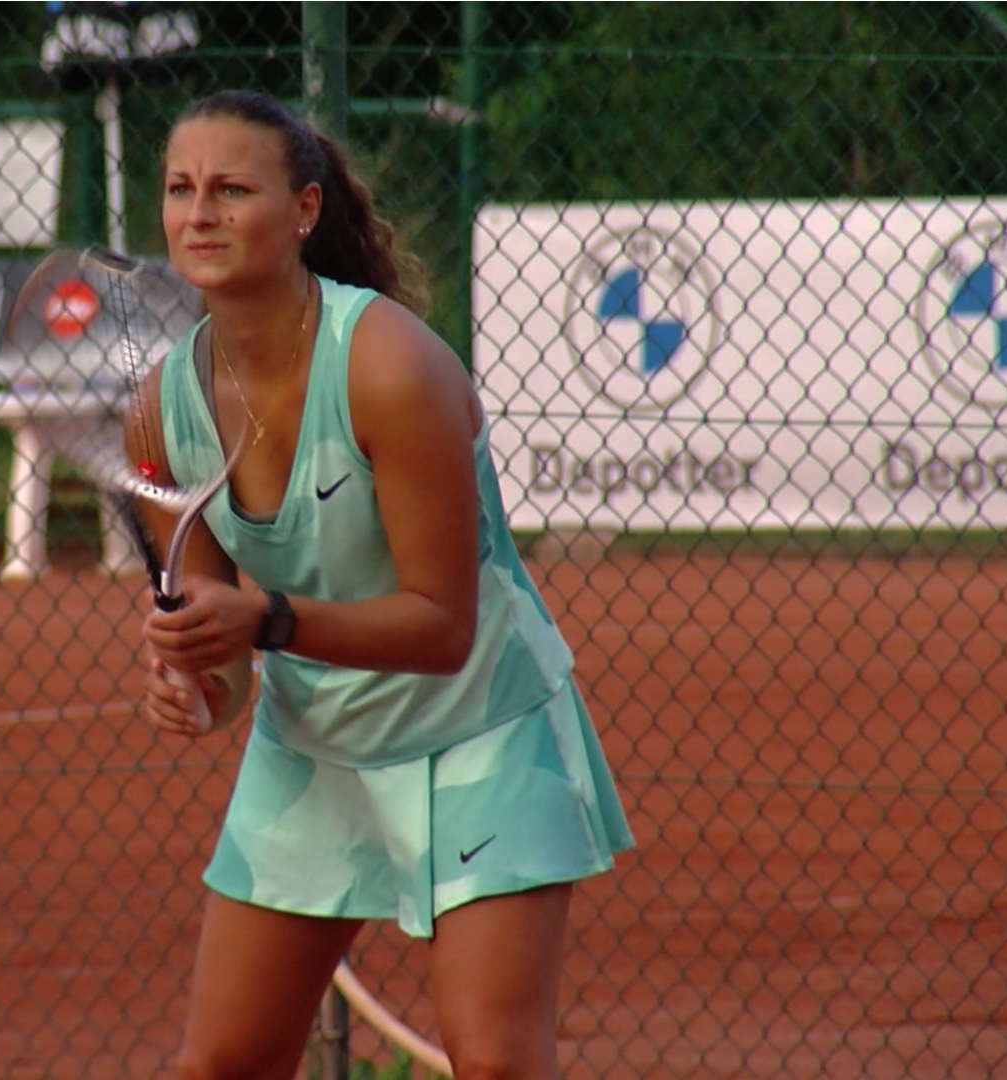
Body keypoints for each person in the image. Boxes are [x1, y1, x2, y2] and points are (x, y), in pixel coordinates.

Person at [125, 89, 635, 1080]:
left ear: (304, 209)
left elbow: (443, 627)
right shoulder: (159, 410)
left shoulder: (391, 367)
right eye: (180, 189)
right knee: (221, 1064)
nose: (200, 213)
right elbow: (225, 670)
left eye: (232, 190)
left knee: (494, 1061)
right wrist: (196, 680)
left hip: (479, 730)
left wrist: (262, 620)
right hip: (315, 748)